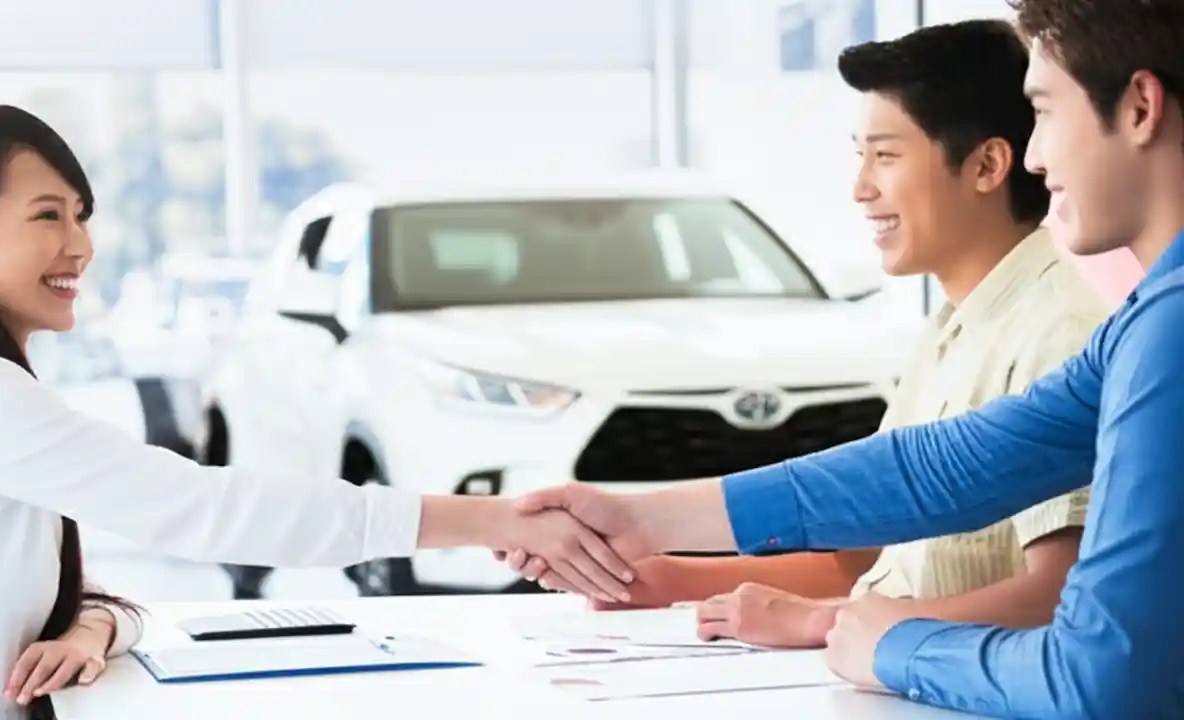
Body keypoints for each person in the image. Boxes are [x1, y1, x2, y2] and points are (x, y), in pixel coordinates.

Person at [503, 1, 1184, 715]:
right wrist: (648, 520)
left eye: (1044, 111)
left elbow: (1103, 675)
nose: (1037, 155)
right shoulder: (1145, 321)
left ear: (1139, 107)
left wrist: (890, 642)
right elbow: (939, 470)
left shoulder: (1157, 326)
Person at [0, 104, 635, 720]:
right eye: (47, 216)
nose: (81, 245)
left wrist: (92, 628)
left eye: (82, 216)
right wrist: (491, 521)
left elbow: (100, 595)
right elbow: (206, 509)